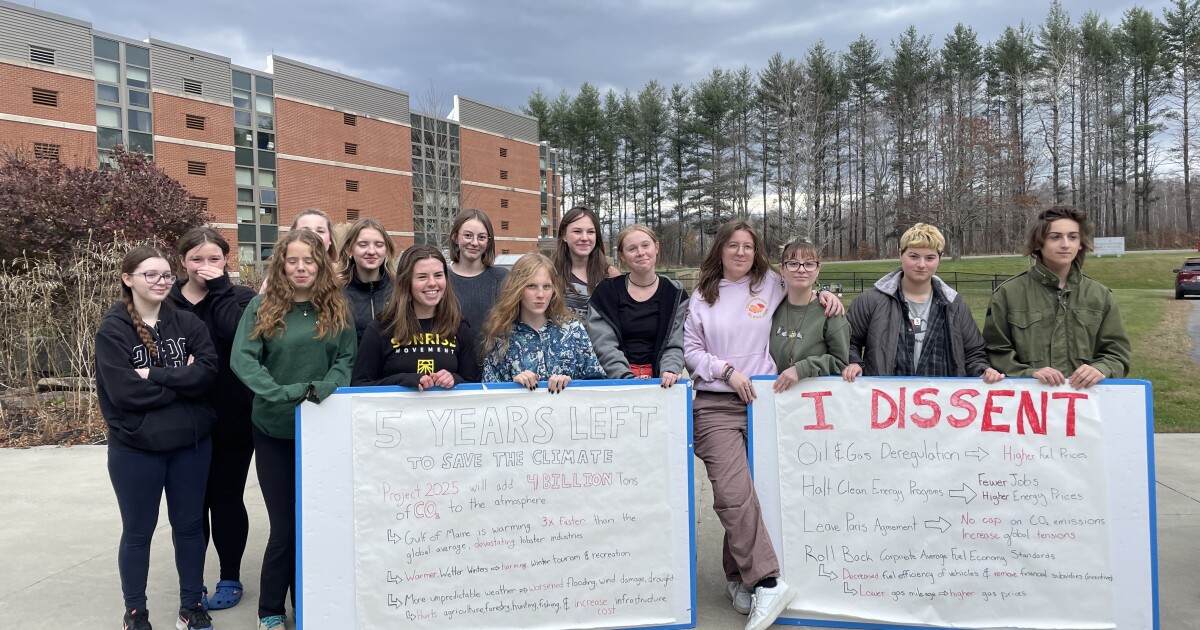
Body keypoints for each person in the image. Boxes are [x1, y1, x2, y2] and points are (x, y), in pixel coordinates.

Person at [683, 219, 843, 630]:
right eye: (733, 245)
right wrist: (726, 370)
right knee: (732, 492)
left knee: (756, 493)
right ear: (720, 250)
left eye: (748, 246)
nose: (740, 252)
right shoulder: (702, 296)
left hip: (767, 404)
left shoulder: (770, 283)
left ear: (758, 253)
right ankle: (768, 581)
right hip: (717, 404)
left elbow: (802, 287)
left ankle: (738, 577)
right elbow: (692, 350)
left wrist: (827, 294)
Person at [230, 229, 356, 630]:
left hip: (322, 429)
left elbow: (346, 359)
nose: (301, 268)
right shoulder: (262, 306)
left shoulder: (337, 308)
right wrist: (280, 393)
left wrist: (325, 388)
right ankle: (270, 610)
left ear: (322, 264)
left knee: (316, 523)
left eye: (310, 260)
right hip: (275, 429)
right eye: (293, 260)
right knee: (284, 527)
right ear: (281, 265)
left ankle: (307, 603)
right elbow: (244, 360)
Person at [96, 245, 218, 630]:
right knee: (137, 532)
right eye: (151, 274)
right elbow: (125, 394)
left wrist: (155, 375)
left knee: (189, 527)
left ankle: (191, 606)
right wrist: (181, 382)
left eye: (166, 274)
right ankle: (135, 612)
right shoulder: (113, 329)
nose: (162, 281)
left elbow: (207, 374)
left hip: (190, 444)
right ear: (127, 278)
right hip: (136, 448)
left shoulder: (188, 323)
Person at [168, 228, 257, 612]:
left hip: (232, 419)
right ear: (182, 262)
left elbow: (240, 337)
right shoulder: (166, 301)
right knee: (190, 506)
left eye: (214, 259)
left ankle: (230, 575)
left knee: (226, 500)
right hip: (180, 420)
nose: (205, 267)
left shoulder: (240, 298)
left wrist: (220, 289)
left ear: (226, 260)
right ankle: (193, 582)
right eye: (197, 259)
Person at [983, 206, 1131, 388]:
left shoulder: (1099, 295)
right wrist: (1028, 374)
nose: (1065, 244)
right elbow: (995, 351)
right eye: (1055, 237)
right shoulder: (1008, 294)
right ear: (1038, 243)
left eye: (1073, 237)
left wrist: (1101, 369)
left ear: (1081, 243)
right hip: (1028, 404)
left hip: (1085, 404)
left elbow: (1117, 353)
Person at [841, 223, 1004, 384]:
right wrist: (854, 362)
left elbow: (974, 353)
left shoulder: (954, 305)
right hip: (887, 401)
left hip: (941, 402)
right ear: (900, 254)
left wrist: (983, 370)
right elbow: (849, 342)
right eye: (913, 256)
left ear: (939, 258)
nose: (921, 264)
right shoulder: (871, 301)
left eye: (930, 258)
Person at [352, 245, 479, 387]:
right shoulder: (380, 328)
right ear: (406, 282)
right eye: (422, 277)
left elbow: (473, 383)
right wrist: (400, 380)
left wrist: (455, 380)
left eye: (438, 275)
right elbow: (359, 385)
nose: (432, 283)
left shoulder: (458, 326)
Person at [480, 253, 605, 392]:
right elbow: (489, 394)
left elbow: (598, 385)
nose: (540, 294)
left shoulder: (573, 330)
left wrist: (572, 384)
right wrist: (513, 386)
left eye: (546, 286)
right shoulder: (502, 336)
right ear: (517, 289)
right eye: (532, 286)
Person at [586, 224, 686, 387]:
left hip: (662, 383)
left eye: (646, 245)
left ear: (656, 247)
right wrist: (626, 378)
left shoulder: (675, 293)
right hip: (617, 382)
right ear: (622, 256)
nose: (641, 253)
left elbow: (675, 342)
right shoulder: (606, 292)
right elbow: (603, 343)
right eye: (632, 249)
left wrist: (670, 370)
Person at [768, 240, 850, 392]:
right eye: (793, 263)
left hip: (815, 400)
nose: (801, 270)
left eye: (809, 264)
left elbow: (841, 362)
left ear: (818, 269)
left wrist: (802, 369)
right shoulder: (772, 308)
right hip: (773, 396)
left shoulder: (830, 312)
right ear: (782, 269)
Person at [446, 209, 508, 350]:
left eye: (481, 237)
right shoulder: (441, 279)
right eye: (468, 235)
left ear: (488, 241)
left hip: (493, 366)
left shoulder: (501, 278)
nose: (474, 243)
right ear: (455, 237)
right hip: (451, 368)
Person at [553, 206, 620, 318]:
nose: (584, 238)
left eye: (590, 232)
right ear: (564, 235)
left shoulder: (611, 275)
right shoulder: (551, 273)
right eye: (577, 231)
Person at [338, 218, 396, 342]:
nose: (371, 251)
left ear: (386, 250)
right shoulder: (337, 293)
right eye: (363, 245)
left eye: (379, 245)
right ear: (349, 250)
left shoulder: (400, 290)